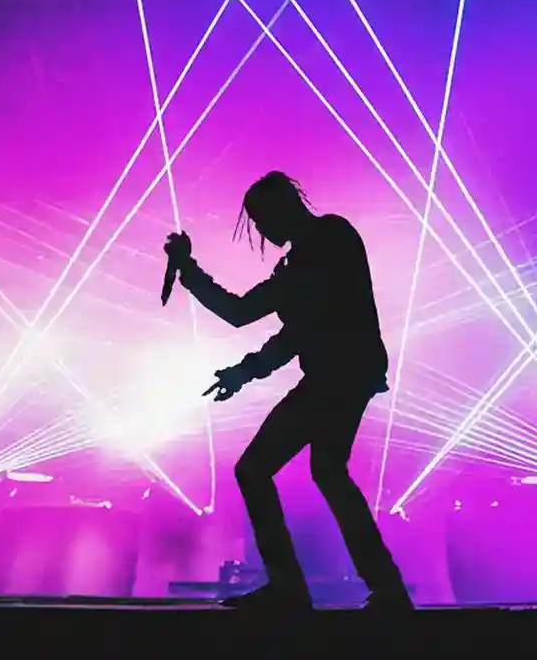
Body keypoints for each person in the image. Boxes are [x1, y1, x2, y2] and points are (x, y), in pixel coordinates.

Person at [163, 171, 412, 612]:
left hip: (337, 374)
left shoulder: (322, 245)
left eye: (261, 220)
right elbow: (288, 329)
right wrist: (246, 369)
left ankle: (291, 588)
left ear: (282, 209)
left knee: (256, 469)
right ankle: (383, 587)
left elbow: (246, 314)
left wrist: (188, 270)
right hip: (346, 372)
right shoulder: (321, 246)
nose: (261, 231)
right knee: (329, 473)